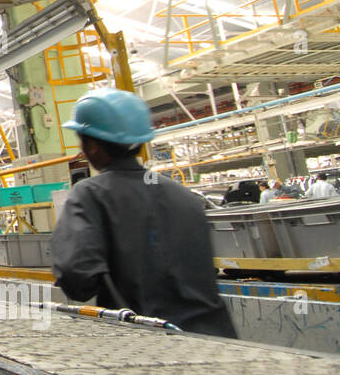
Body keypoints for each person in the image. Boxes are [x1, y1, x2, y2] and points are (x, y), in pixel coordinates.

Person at [49, 88, 236, 338]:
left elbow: (77, 278)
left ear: (92, 146)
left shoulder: (90, 195)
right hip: (214, 339)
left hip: (145, 343)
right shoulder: (185, 197)